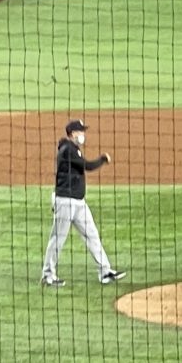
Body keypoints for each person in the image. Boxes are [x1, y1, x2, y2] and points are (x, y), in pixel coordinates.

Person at [41, 119, 124, 287]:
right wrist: (102, 159)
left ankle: (105, 271)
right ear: (72, 133)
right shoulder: (67, 150)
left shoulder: (73, 149)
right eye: (80, 131)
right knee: (58, 238)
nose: (83, 134)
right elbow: (87, 166)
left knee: (92, 234)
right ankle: (48, 275)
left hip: (78, 202)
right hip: (65, 201)